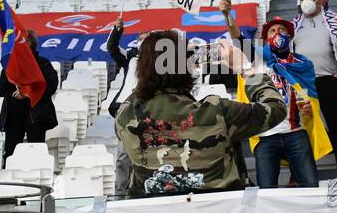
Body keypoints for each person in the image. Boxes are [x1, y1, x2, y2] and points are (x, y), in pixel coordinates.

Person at [116, 30, 286, 196]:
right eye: (190, 56)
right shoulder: (217, 112)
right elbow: (276, 108)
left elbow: (137, 96)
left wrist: (149, 74)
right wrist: (246, 68)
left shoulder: (126, 115)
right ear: (184, 66)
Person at [292, 0, 337, 181]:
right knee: (302, 132)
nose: (305, 1)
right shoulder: (294, 25)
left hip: (329, 80)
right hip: (304, 85)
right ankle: (301, 177)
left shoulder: (335, 20)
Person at [251, 19, 320, 188]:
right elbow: (238, 40)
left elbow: (307, 92)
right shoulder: (256, 63)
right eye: (272, 31)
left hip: (296, 132)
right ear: (266, 39)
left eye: (281, 30)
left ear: (289, 37)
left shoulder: (301, 65)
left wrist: (309, 105)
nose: (277, 33)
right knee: (266, 190)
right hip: (266, 137)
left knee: (310, 185)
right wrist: (227, 15)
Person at [0, 31, 59, 162]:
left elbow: (50, 86)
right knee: (11, 154)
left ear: (30, 43)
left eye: (22, 41)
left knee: (36, 152)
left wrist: (27, 92)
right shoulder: (10, 66)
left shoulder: (42, 64)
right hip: (13, 117)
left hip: (36, 116)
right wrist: (8, 75)